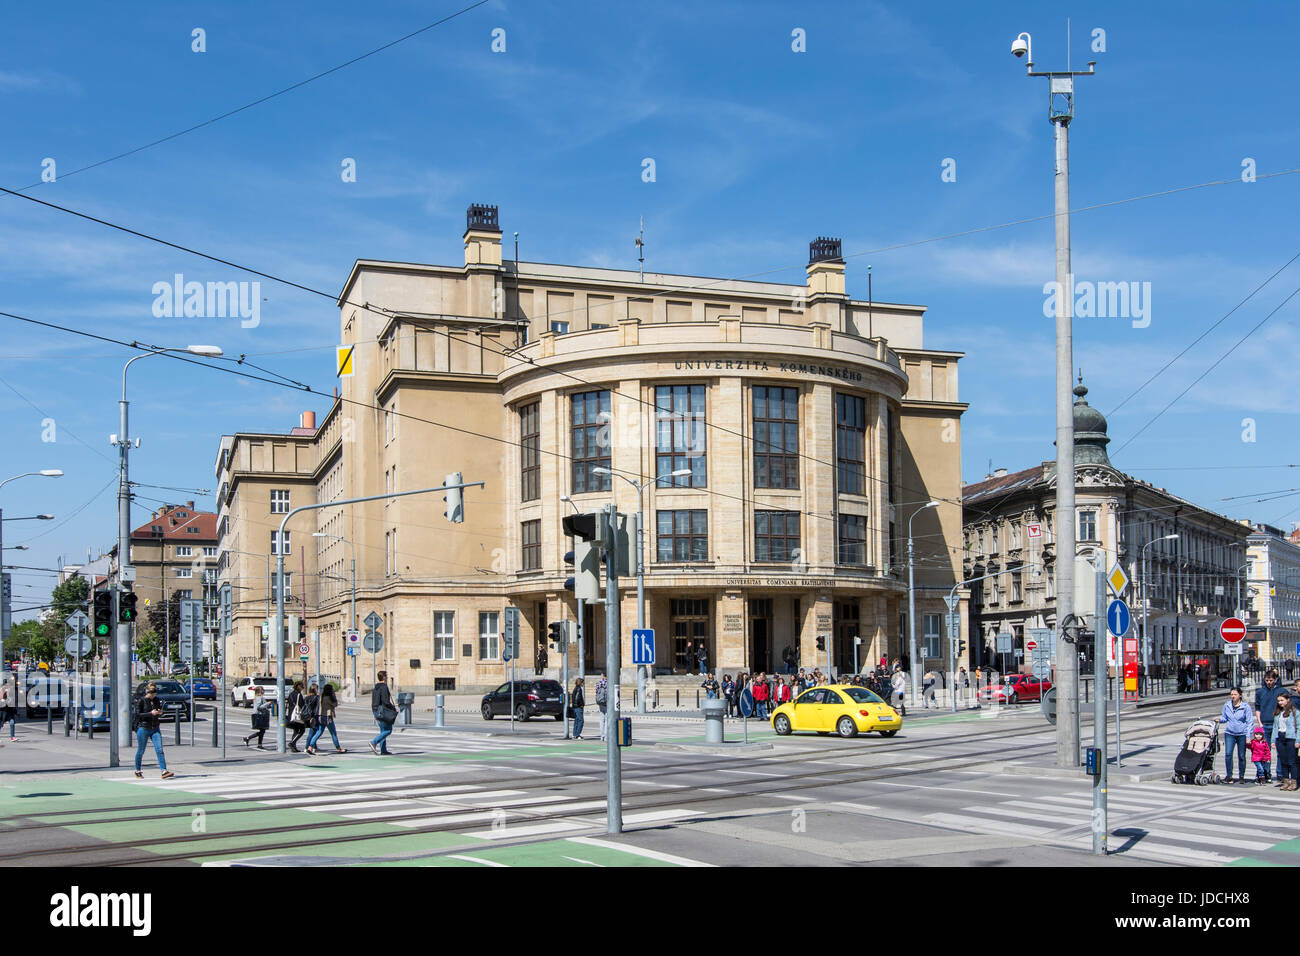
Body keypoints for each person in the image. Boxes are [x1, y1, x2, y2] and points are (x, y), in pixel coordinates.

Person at [133, 682, 173, 779]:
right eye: (153, 694)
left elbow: (158, 710)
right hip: (143, 728)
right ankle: (138, 770)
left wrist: (159, 712)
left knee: (159, 749)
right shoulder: (141, 701)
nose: (154, 695)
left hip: (155, 727)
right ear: (148, 692)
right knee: (141, 750)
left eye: (155, 694)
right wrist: (150, 713)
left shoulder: (156, 700)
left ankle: (164, 771)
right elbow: (138, 714)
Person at [1215, 687, 1252, 783]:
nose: (1233, 696)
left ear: (1240, 695)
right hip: (1230, 733)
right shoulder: (1227, 705)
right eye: (1231, 694)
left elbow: (1249, 722)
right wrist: (1219, 719)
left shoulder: (1245, 706)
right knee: (1228, 754)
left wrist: (1248, 736)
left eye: (1235, 694)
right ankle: (1229, 775)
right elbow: (1225, 717)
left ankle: (1241, 776)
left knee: (1241, 756)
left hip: (1242, 734)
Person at [1254, 669, 1282, 777]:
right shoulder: (1260, 692)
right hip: (1265, 724)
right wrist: (1260, 722)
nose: (1269, 682)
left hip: (1277, 725)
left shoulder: (1280, 691)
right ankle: (1265, 773)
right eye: (1267, 680)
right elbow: (1257, 708)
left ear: (1275, 680)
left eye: (1271, 680)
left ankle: (1280, 774)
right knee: (1264, 751)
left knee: (1280, 752)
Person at [306, 684, 346, 754]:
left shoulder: (321, 696)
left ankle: (310, 747)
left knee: (319, 732)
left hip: (321, 716)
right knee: (333, 733)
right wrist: (334, 696)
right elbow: (335, 704)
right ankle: (338, 748)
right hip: (327, 717)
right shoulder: (328, 698)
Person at [1272, 691, 1299, 790]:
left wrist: (1298, 740)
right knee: (1283, 761)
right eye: (1278, 701)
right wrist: (1273, 741)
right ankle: (1286, 781)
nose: (1280, 703)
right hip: (1280, 737)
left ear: (1288, 700)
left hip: (1291, 738)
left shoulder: (1295, 712)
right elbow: (1275, 727)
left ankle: (1294, 782)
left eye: (1282, 700)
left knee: (1292, 762)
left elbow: (1299, 727)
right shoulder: (1278, 713)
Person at [370, 670, 396, 755]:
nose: (387, 678)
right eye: (387, 676)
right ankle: (374, 742)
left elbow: (374, 700)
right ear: (384, 677)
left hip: (376, 711)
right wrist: (393, 708)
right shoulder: (384, 687)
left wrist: (374, 712)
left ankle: (383, 750)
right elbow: (386, 701)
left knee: (383, 731)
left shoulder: (376, 687)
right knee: (388, 730)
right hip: (382, 711)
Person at [286, 680, 307, 752]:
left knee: (295, 730)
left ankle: (293, 747)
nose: (303, 688)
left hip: (291, 714)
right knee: (302, 730)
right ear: (298, 686)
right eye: (302, 686)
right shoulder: (298, 694)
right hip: (297, 714)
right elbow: (302, 705)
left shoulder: (291, 694)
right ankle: (292, 743)